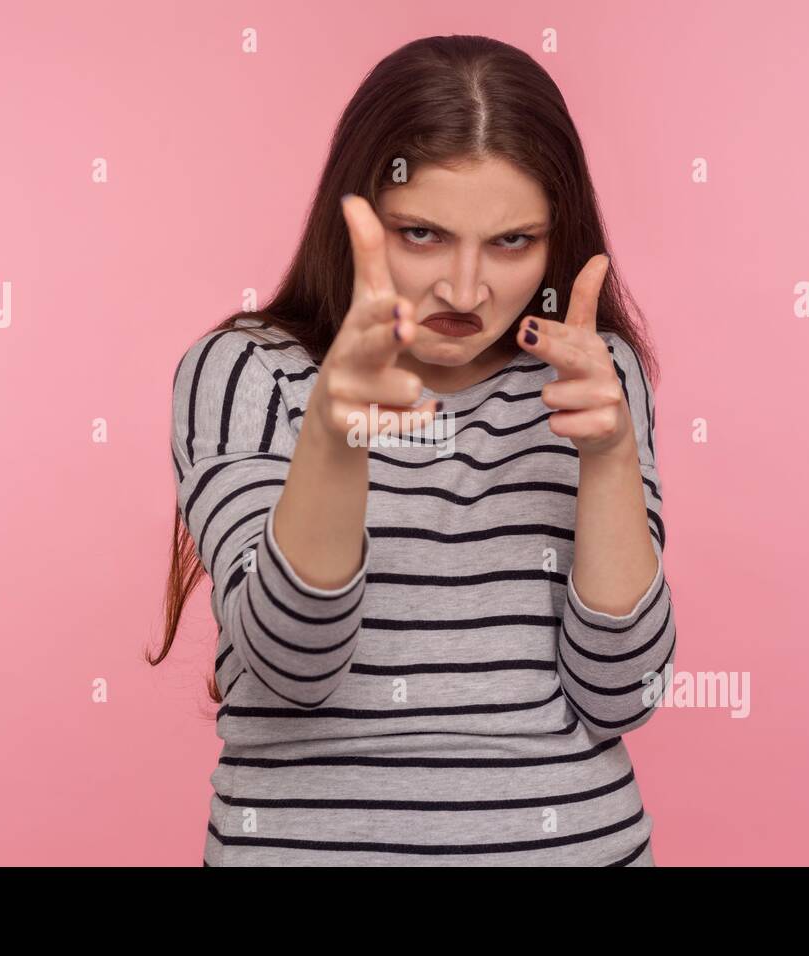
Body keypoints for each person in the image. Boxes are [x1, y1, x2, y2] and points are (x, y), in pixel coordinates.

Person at [153, 34, 676, 866]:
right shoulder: (249, 373)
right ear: (357, 214)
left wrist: (610, 459)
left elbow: (624, 693)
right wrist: (333, 434)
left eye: (512, 242)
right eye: (423, 234)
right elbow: (293, 665)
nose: (465, 290)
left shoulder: (587, 375)